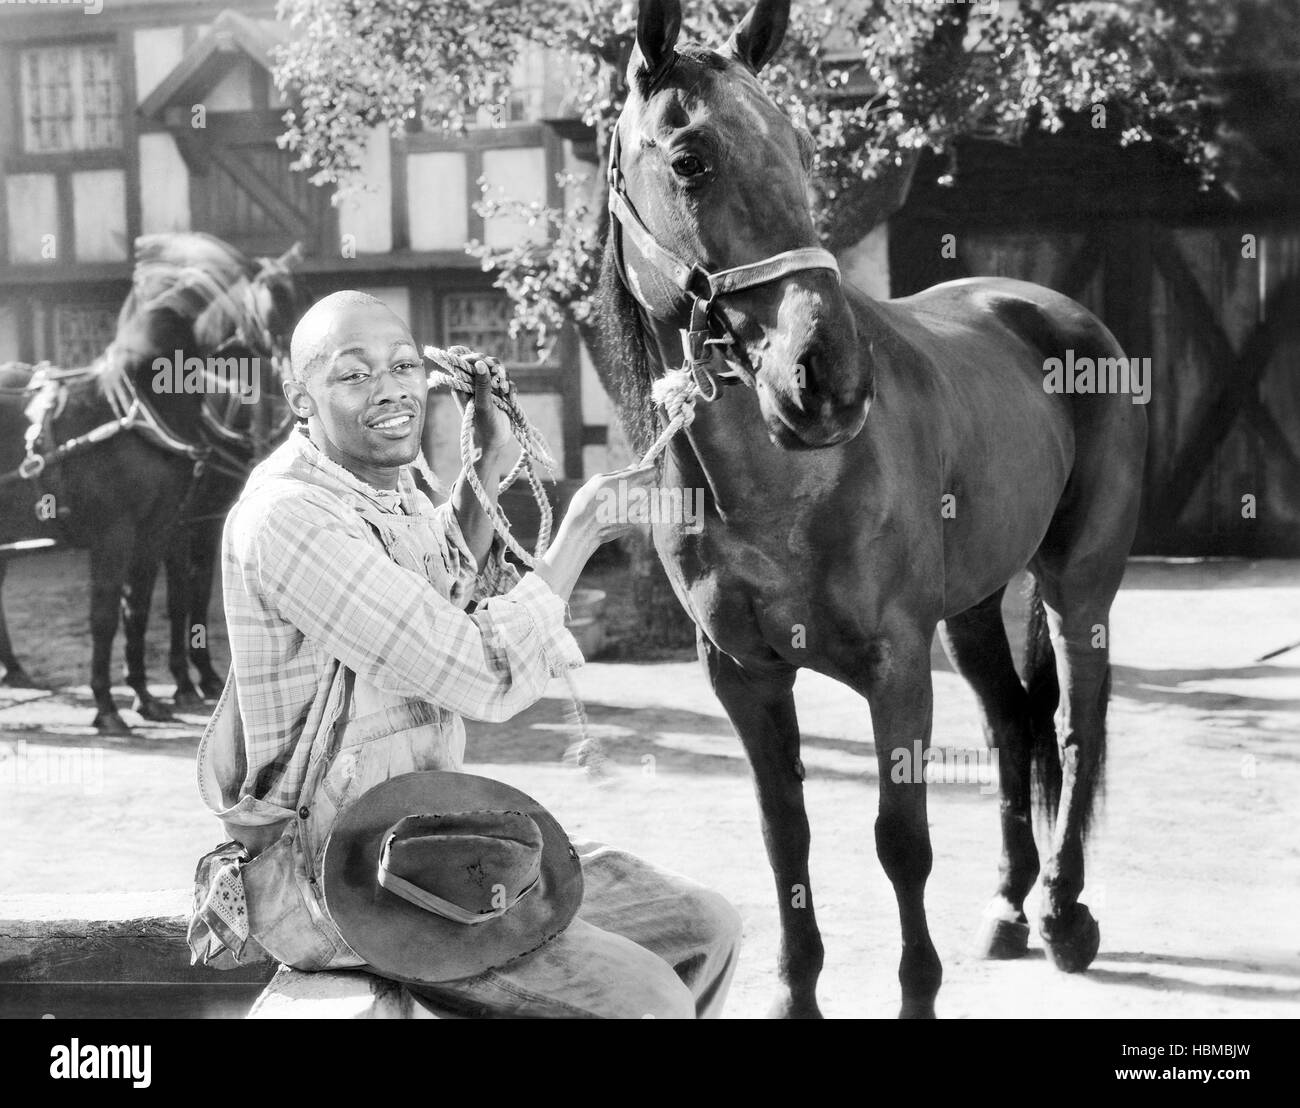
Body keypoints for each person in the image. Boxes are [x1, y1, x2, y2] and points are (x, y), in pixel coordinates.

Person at [200, 290, 741, 1018]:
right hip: (333, 877)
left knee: (703, 924)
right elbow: (478, 673)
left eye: (401, 366)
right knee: (647, 1003)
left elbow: (442, 594)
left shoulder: (387, 492)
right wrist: (579, 532)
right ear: (301, 397)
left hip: (429, 842)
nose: (389, 389)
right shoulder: (289, 518)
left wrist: (481, 466)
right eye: (353, 375)